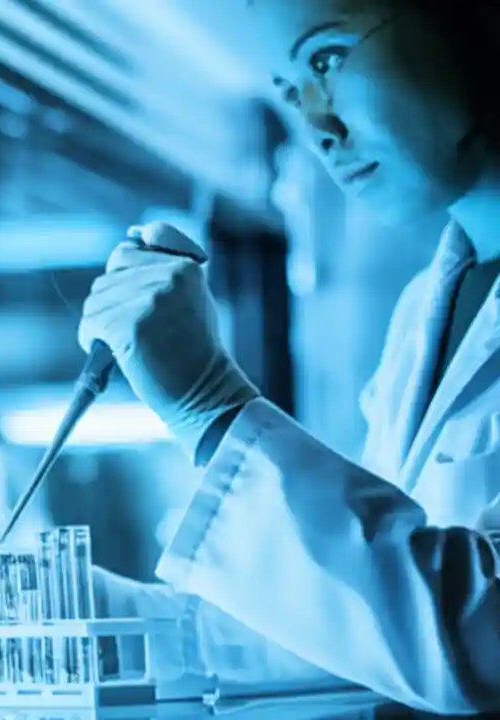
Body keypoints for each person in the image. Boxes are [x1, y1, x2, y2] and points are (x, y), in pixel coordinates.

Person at [80, 0, 500, 714]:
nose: (317, 126)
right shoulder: (421, 312)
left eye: (328, 59)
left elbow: (482, 642)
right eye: (287, 92)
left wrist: (213, 409)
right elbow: (359, 628)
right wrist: (93, 620)